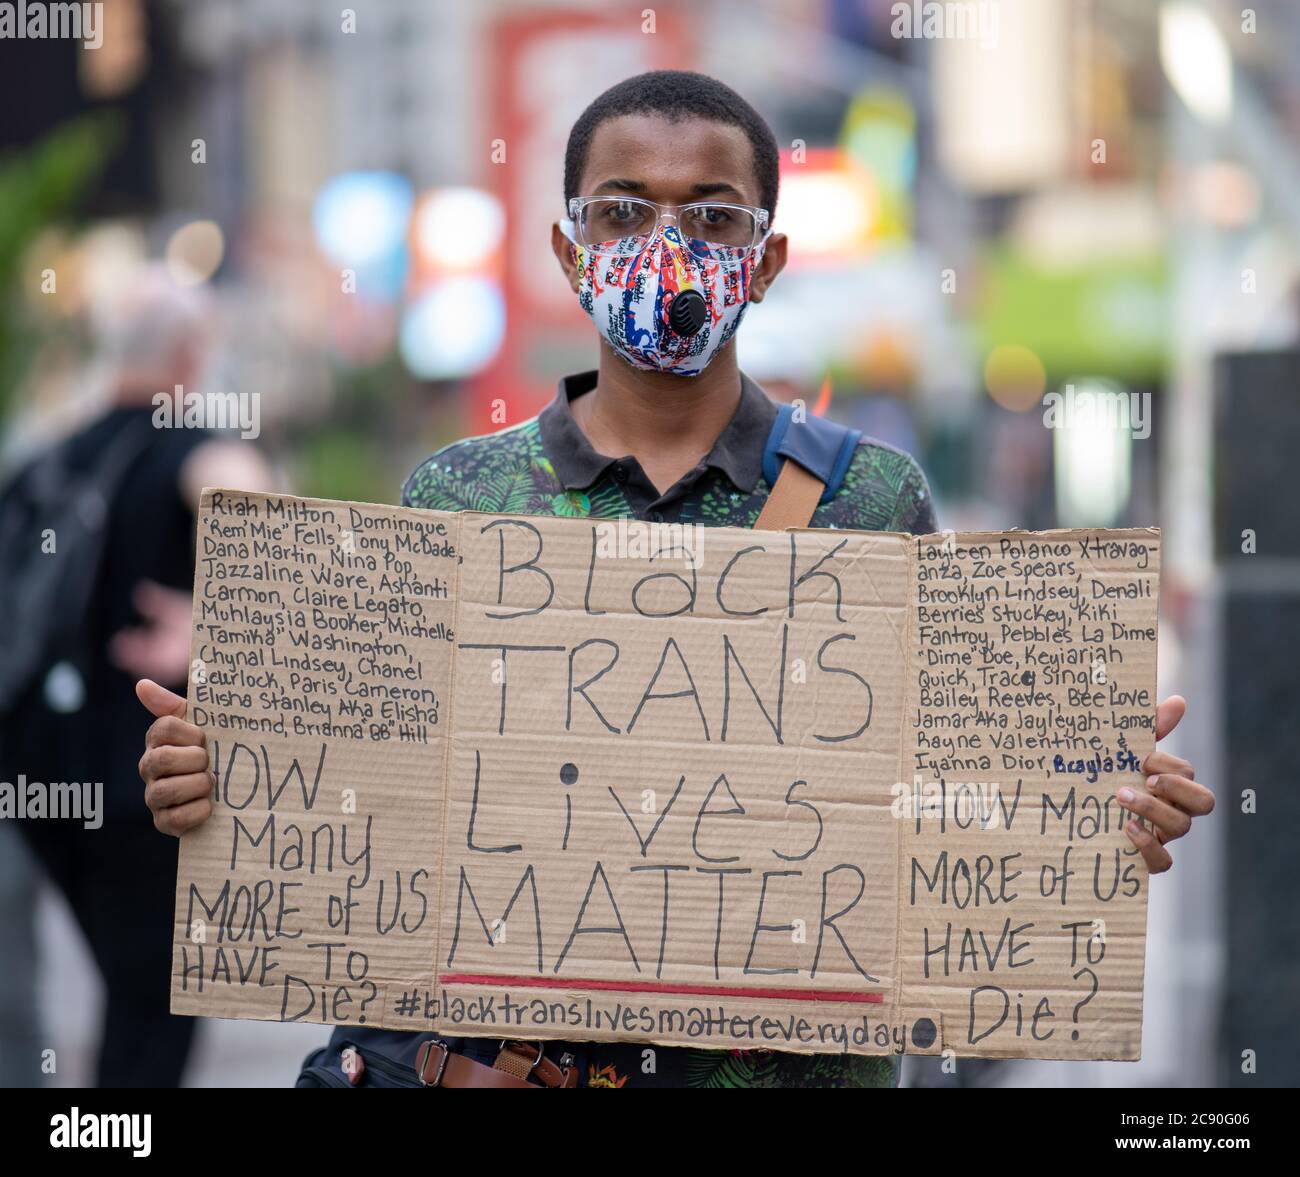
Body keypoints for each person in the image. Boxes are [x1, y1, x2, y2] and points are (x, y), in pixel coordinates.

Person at [137, 71, 1216, 1089]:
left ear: (769, 257)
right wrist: (226, 785)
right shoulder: (456, 494)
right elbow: (377, 806)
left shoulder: (877, 501)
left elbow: (957, 809)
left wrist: (1092, 819)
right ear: (569, 252)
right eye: (621, 213)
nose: (664, 246)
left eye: (710, 216)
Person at [0, 266, 273, 1086]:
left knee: (58, 992)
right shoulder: (196, 448)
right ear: (190, 357)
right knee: (150, 1006)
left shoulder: (41, 464)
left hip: (29, 767)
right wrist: (221, 622)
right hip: (141, 783)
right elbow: (261, 513)